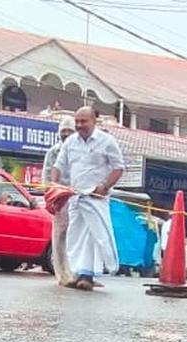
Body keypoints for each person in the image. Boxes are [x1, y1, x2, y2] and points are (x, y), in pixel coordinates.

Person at [55, 107, 124, 291]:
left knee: (93, 236)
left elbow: (118, 167)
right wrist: (55, 187)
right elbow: (58, 166)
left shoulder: (107, 141)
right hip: (75, 197)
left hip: (96, 198)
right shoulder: (70, 142)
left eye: (83, 121)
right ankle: (76, 273)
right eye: (77, 121)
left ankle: (88, 276)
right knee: (75, 235)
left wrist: (104, 187)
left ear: (94, 121)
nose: (79, 125)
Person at [44, 117, 77, 286]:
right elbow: (47, 177)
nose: (66, 134)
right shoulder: (53, 152)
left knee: (77, 237)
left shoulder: (80, 150)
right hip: (60, 199)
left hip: (78, 198)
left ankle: (78, 274)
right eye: (63, 131)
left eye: (69, 130)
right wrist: (51, 197)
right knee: (59, 238)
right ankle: (62, 275)